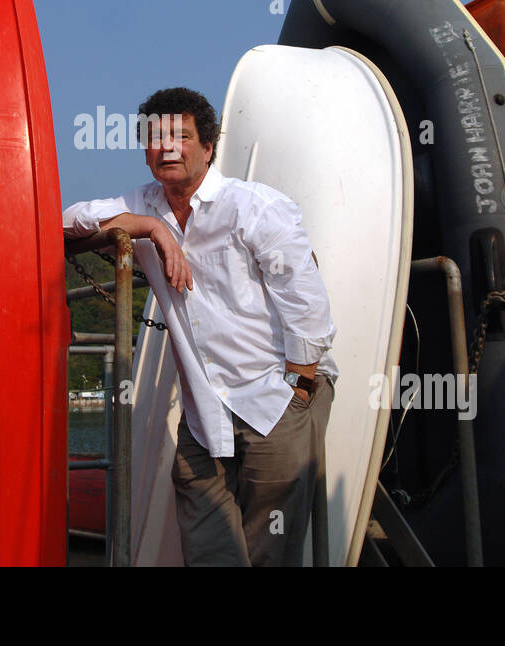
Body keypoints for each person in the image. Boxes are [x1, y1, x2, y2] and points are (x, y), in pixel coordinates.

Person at [62, 87, 337, 566]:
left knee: (271, 547)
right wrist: (150, 229)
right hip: (204, 404)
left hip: (275, 393)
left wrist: (299, 385)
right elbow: (66, 224)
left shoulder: (253, 207)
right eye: (155, 137)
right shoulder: (144, 205)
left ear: (208, 147)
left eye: (181, 135)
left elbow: (306, 302)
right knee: (209, 545)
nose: (168, 146)